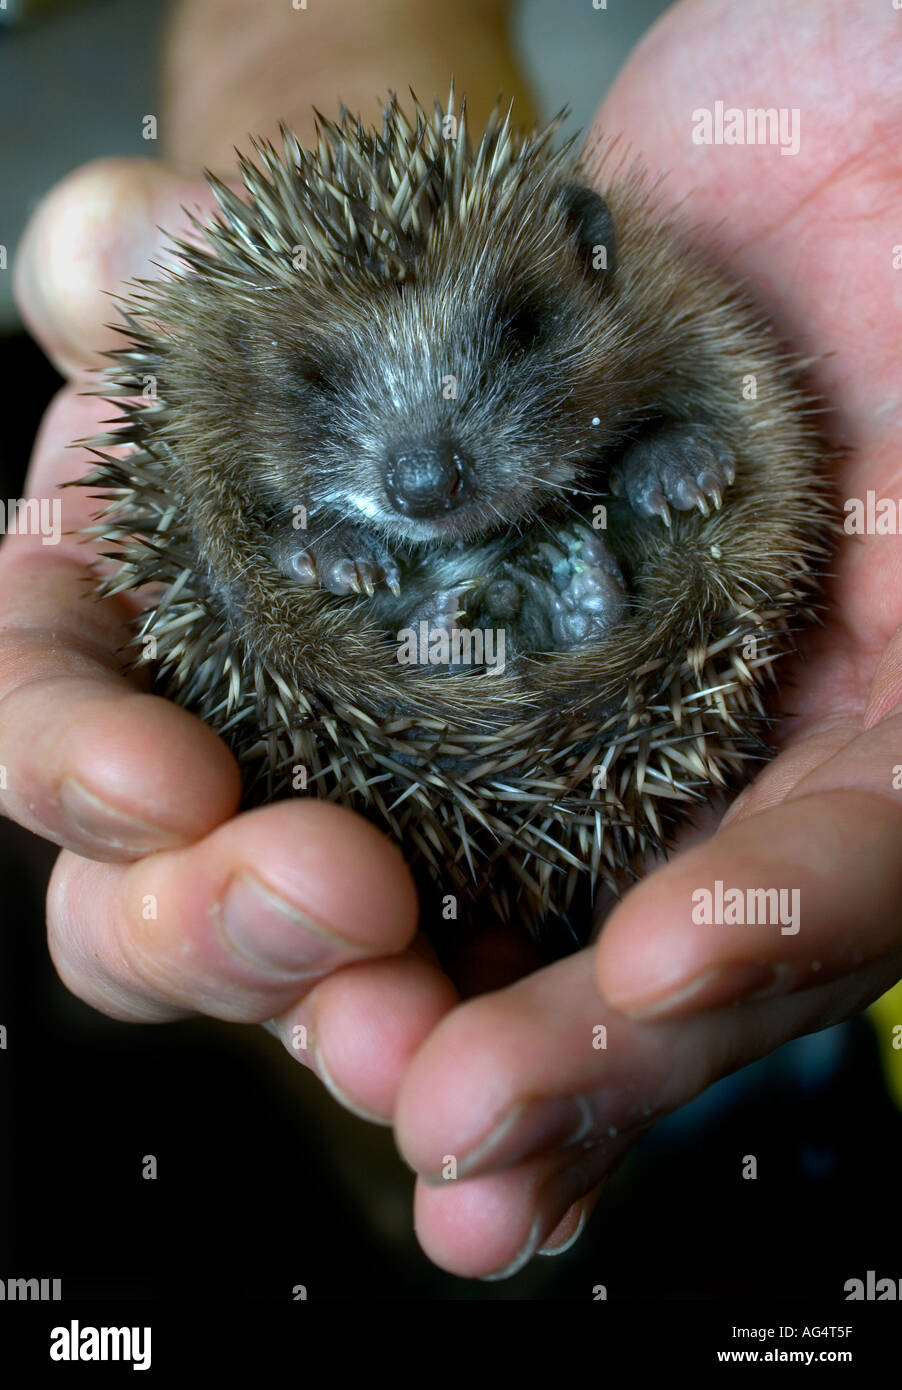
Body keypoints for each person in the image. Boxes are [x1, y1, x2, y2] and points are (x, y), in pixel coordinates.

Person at [7, 0, 902, 1279]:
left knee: (708, 486)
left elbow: (750, 471)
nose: (425, 468)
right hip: (490, 712)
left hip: (768, 879)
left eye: (517, 333)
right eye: (325, 384)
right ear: (256, 363)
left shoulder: (667, 308)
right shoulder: (225, 402)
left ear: (593, 260)